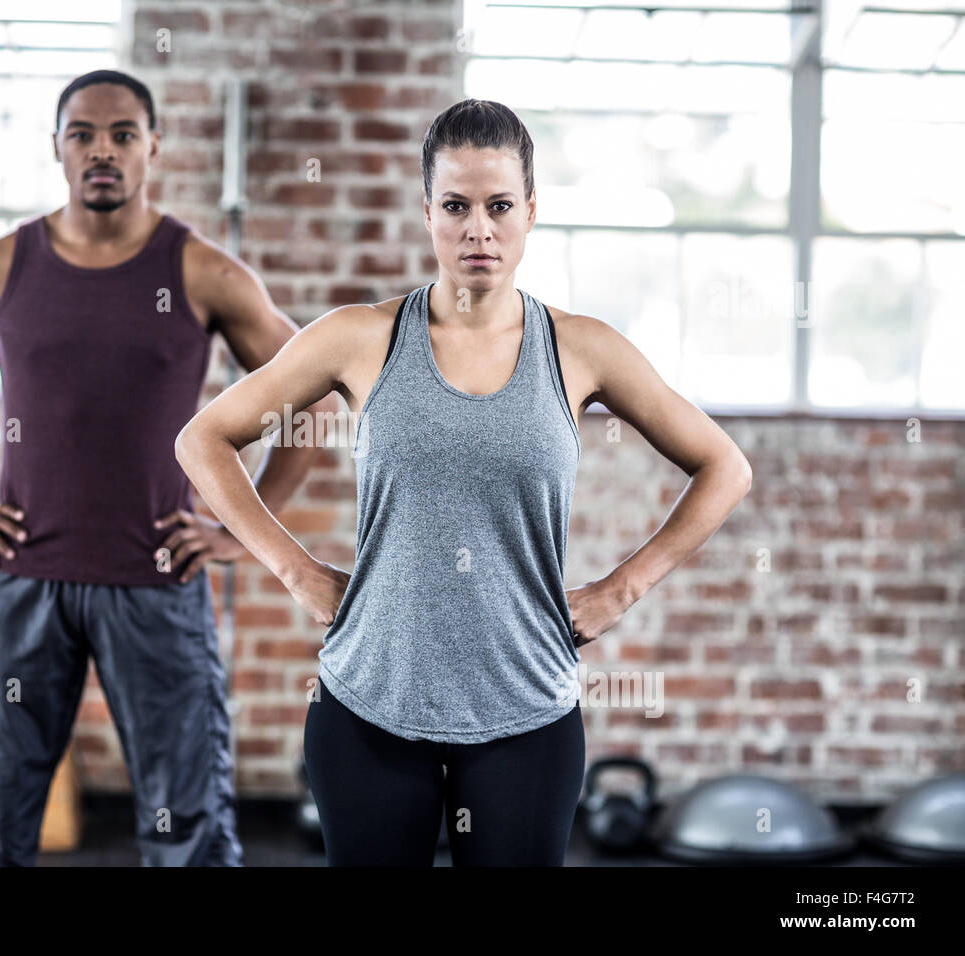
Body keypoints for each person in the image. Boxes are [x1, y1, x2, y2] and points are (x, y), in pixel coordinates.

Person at [175, 98, 753, 866]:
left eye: (499, 206)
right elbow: (203, 438)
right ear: (427, 212)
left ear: (531, 211)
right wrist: (294, 569)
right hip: (368, 709)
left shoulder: (581, 349)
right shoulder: (361, 337)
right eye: (456, 206)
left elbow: (726, 466)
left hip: (527, 713)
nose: (478, 228)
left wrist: (623, 588)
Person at [0, 69, 339, 866]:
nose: (103, 151)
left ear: (152, 147)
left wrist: (243, 534)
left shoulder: (203, 272)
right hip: (21, 580)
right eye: (83, 134)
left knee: (187, 827)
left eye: (123, 134)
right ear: (56, 148)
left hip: (156, 584)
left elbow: (316, 398)